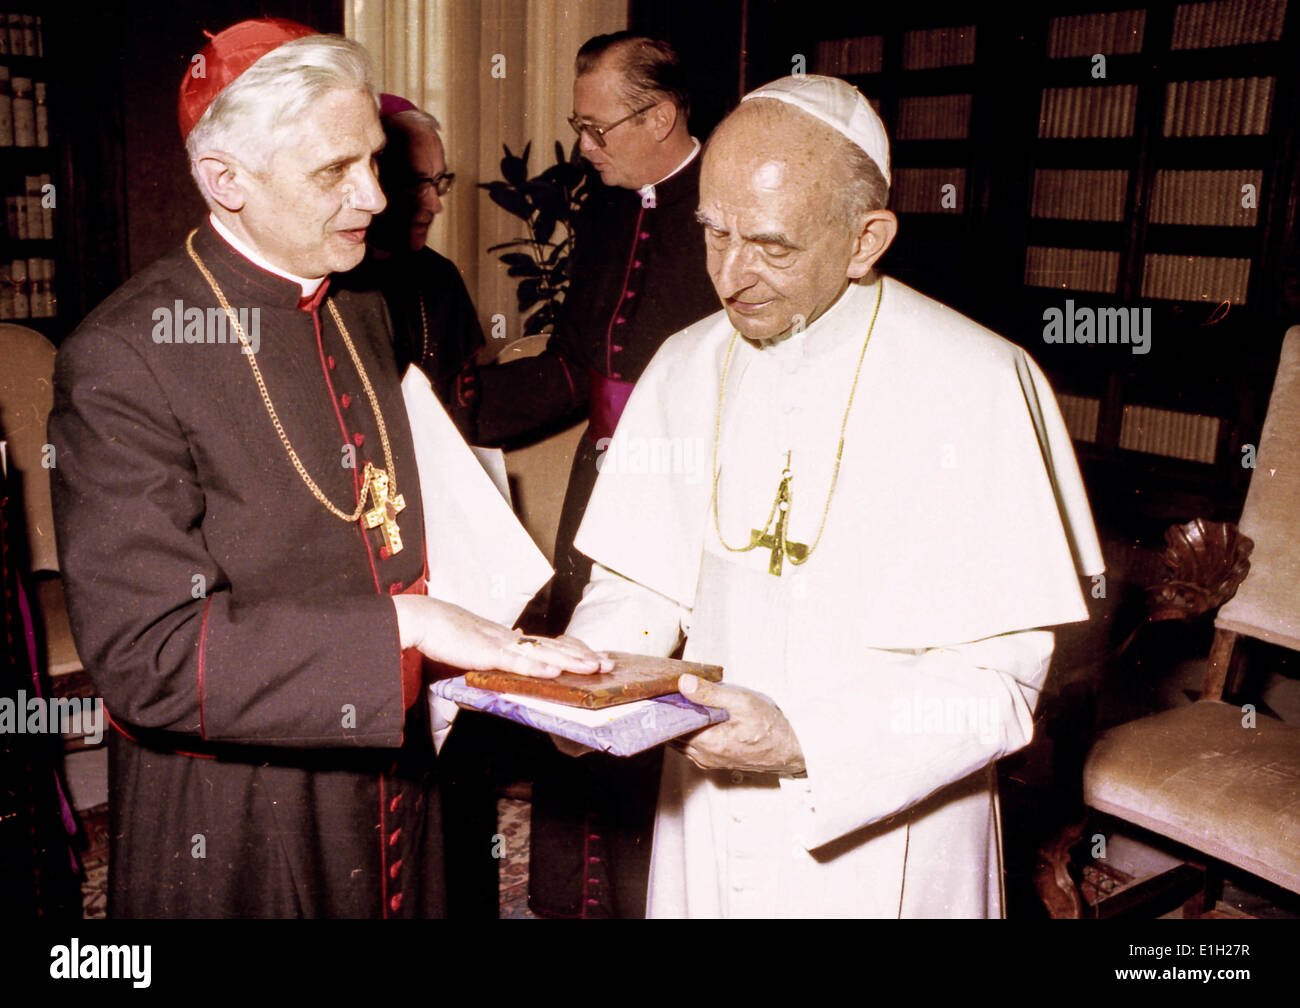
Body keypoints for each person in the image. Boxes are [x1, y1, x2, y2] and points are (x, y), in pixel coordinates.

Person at [47, 18, 606, 919]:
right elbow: (144, 657)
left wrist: (483, 630)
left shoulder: (363, 305)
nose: (376, 198)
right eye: (332, 172)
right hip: (238, 794)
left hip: (392, 755)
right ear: (224, 180)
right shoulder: (124, 354)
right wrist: (406, 625)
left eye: (374, 161)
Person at [565, 74, 1105, 917]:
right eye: (713, 233)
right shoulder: (684, 361)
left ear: (866, 240)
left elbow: (999, 685)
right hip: (706, 797)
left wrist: (803, 739)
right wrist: (590, 680)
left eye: (772, 245)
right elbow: (639, 583)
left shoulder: (979, 383)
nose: (730, 277)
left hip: (891, 818)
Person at [470, 32, 719, 919]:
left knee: (655, 689)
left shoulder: (727, 204)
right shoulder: (611, 203)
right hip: (601, 481)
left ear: (659, 115)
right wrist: (457, 405)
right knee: (584, 672)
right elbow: (579, 363)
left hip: (695, 489)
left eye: (594, 127)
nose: (582, 148)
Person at [341, 95, 483, 437]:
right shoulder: (329, 278)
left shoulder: (441, 278)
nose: (435, 205)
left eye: (438, 183)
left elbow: (462, 417)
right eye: (417, 183)